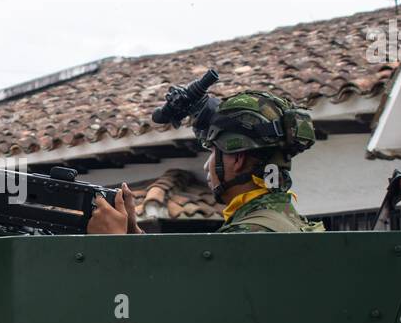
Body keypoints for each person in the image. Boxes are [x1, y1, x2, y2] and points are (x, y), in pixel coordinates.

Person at [89, 88, 322, 234]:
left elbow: (176, 305)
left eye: (212, 151)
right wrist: (133, 235)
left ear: (237, 158)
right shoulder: (293, 224)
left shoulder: (246, 235)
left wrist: (111, 245)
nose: (206, 166)